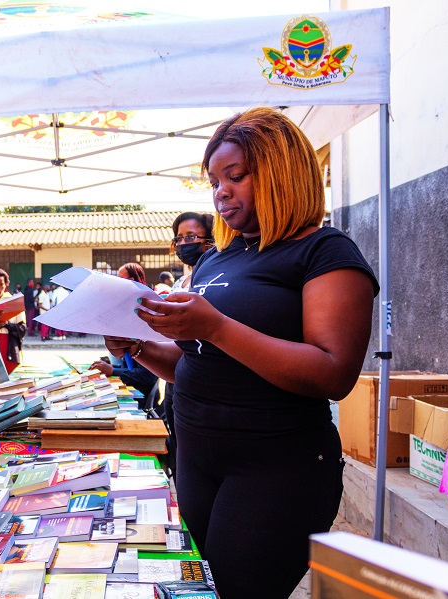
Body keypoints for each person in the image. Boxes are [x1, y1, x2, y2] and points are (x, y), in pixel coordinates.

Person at [105, 108, 378, 598]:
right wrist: (140, 347)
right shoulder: (217, 256)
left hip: (274, 467)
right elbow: (198, 361)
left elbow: (333, 372)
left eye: (235, 177)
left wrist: (216, 326)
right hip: (197, 455)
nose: (221, 192)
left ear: (280, 173)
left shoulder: (323, 251)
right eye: (214, 180)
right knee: (194, 588)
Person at [161, 211, 216, 480]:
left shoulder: (216, 281)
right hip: (175, 374)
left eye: (191, 237)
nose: (184, 244)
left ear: (212, 240)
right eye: (179, 238)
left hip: (204, 376)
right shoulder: (183, 281)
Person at [90, 263, 159, 403]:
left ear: (134, 281)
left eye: (121, 279)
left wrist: (112, 371)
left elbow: (146, 375)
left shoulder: (144, 317)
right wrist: (107, 368)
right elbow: (128, 367)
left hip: (138, 395)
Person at [0, 268, 26, 373]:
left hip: (8, 342)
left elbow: (22, 327)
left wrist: (7, 324)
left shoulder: (14, 302)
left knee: (8, 370)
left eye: (1, 284)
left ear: (6, 284)